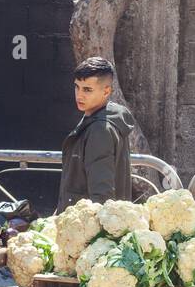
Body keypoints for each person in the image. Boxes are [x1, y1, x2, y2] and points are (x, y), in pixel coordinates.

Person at [57, 58, 136, 212]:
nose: (79, 95)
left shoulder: (100, 129)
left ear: (106, 91)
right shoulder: (102, 117)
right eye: (77, 87)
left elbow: (101, 195)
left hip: (91, 225)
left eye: (87, 89)